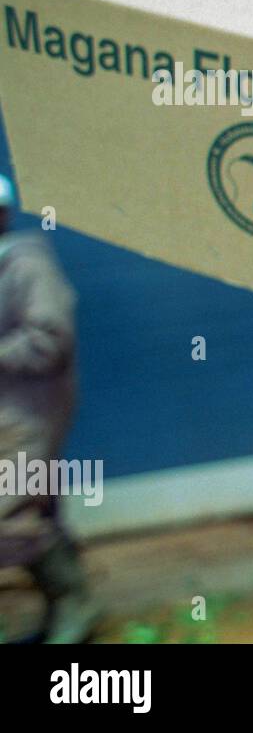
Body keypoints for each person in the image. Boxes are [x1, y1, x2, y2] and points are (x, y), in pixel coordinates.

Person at [0, 173, 99, 643]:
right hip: (7, 412)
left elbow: (50, 340)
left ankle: (73, 600)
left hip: (31, 413)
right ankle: (67, 603)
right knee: (38, 503)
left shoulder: (25, 265)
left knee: (10, 510)